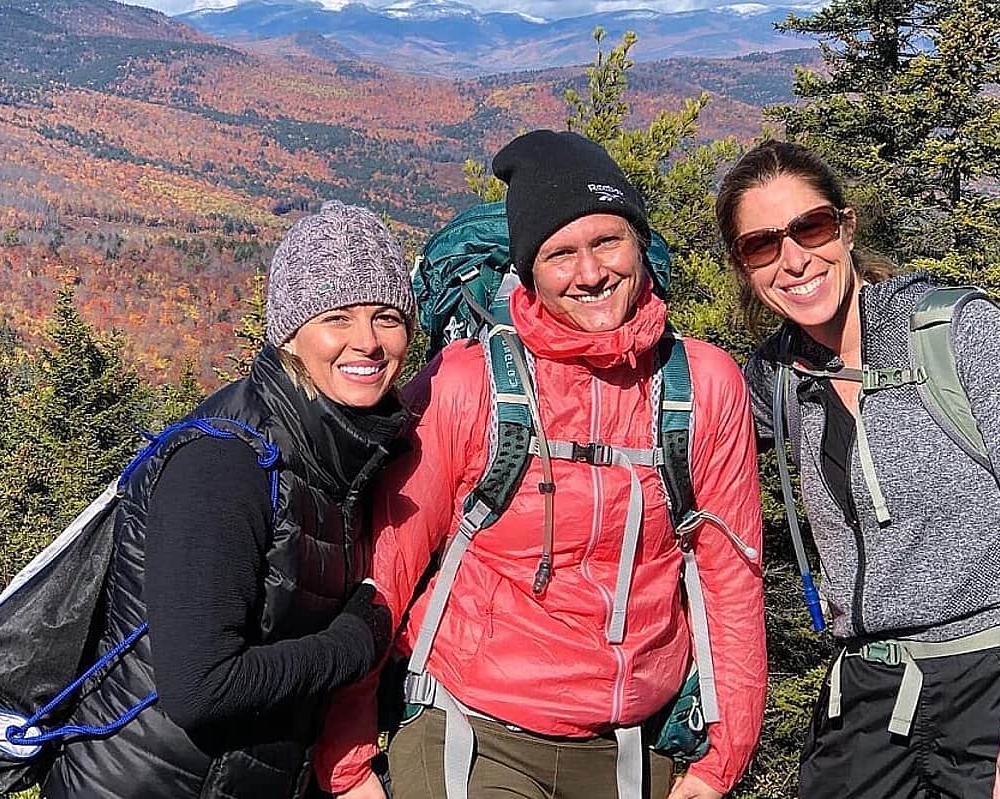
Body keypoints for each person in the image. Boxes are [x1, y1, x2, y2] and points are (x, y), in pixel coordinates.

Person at [315, 130, 767, 799]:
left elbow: (730, 577)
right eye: (560, 254)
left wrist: (720, 760)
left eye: (607, 241)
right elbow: (385, 569)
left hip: (632, 748)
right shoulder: (468, 384)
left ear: (640, 243)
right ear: (530, 270)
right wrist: (347, 763)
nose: (588, 273)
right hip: (472, 732)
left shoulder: (702, 384)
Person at [721, 139, 1000, 799]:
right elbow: (667, 413)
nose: (794, 258)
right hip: (868, 696)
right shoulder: (775, 378)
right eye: (762, 245)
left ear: (847, 225)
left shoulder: (958, 333)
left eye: (811, 227)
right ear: (744, 267)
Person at [41, 201, 414, 799]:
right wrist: (360, 640)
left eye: (387, 317)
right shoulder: (226, 462)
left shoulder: (335, 451)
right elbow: (201, 687)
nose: (366, 342)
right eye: (337, 318)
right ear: (290, 334)